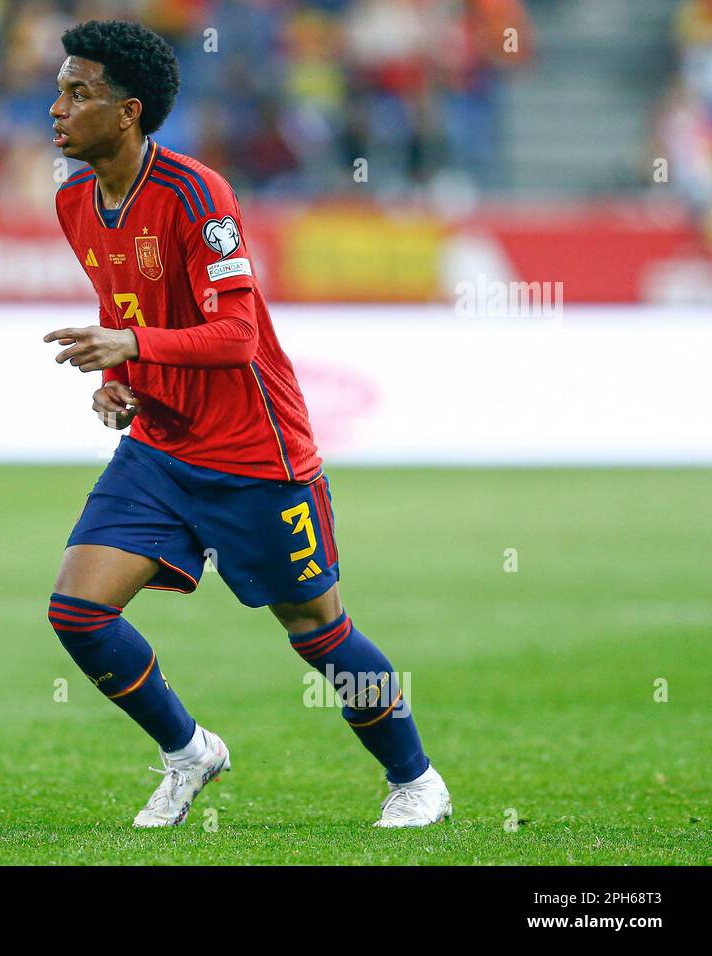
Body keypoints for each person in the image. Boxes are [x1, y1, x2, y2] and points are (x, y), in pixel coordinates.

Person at [43, 19, 451, 829]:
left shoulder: (198, 195)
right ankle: (189, 751)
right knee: (78, 613)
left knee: (317, 632)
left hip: (253, 453)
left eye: (76, 92)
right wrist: (119, 379)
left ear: (126, 112)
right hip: (160, 444)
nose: (56, 106)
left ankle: (417, 779)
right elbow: (122, 301)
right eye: (59, 88)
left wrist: (130, 343)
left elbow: (237, 337)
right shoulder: (73, 200)